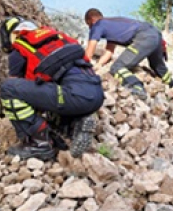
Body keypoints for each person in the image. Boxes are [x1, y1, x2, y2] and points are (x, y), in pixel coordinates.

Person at [0, 17, 102, 159]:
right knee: (54, 92)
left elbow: (19, 89)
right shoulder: (58, 37)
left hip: (72, 96)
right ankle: (73, 123)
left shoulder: (19, 49)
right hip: (96, 94)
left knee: (8, 89)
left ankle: (39, 143)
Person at [83, 9, 173, 99]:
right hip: (155, 34)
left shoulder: (98, 25)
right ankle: (172, 85)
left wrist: (82, 65)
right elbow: (109, 51)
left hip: (143, 37)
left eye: (88, 25)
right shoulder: (111, 24)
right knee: (157, 66)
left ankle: (137, 87)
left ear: (91, 19)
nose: (90, 28)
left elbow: (90, 49)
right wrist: (99, 64)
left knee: (117, 67)